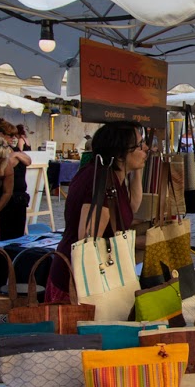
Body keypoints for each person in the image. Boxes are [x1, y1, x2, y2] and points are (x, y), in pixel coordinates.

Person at [47, 122, 145, 296]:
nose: (145, 148)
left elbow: (132, 206)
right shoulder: (101, 181)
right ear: (120, 152)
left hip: (86, 278)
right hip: (77, 283)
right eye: (139, 145)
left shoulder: (110, 175)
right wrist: (138, 242)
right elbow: (87, 241)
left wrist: (136, 170)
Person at [0, 120, 33, 241]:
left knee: (18, 236)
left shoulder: (14, 149)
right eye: (10, 135)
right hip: (5, 198)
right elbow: (4, 168)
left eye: (14, 135)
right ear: (1, 135)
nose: (13, 138)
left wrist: (16, 155)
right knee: (5, 236)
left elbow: (28, 160)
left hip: (19, 198)